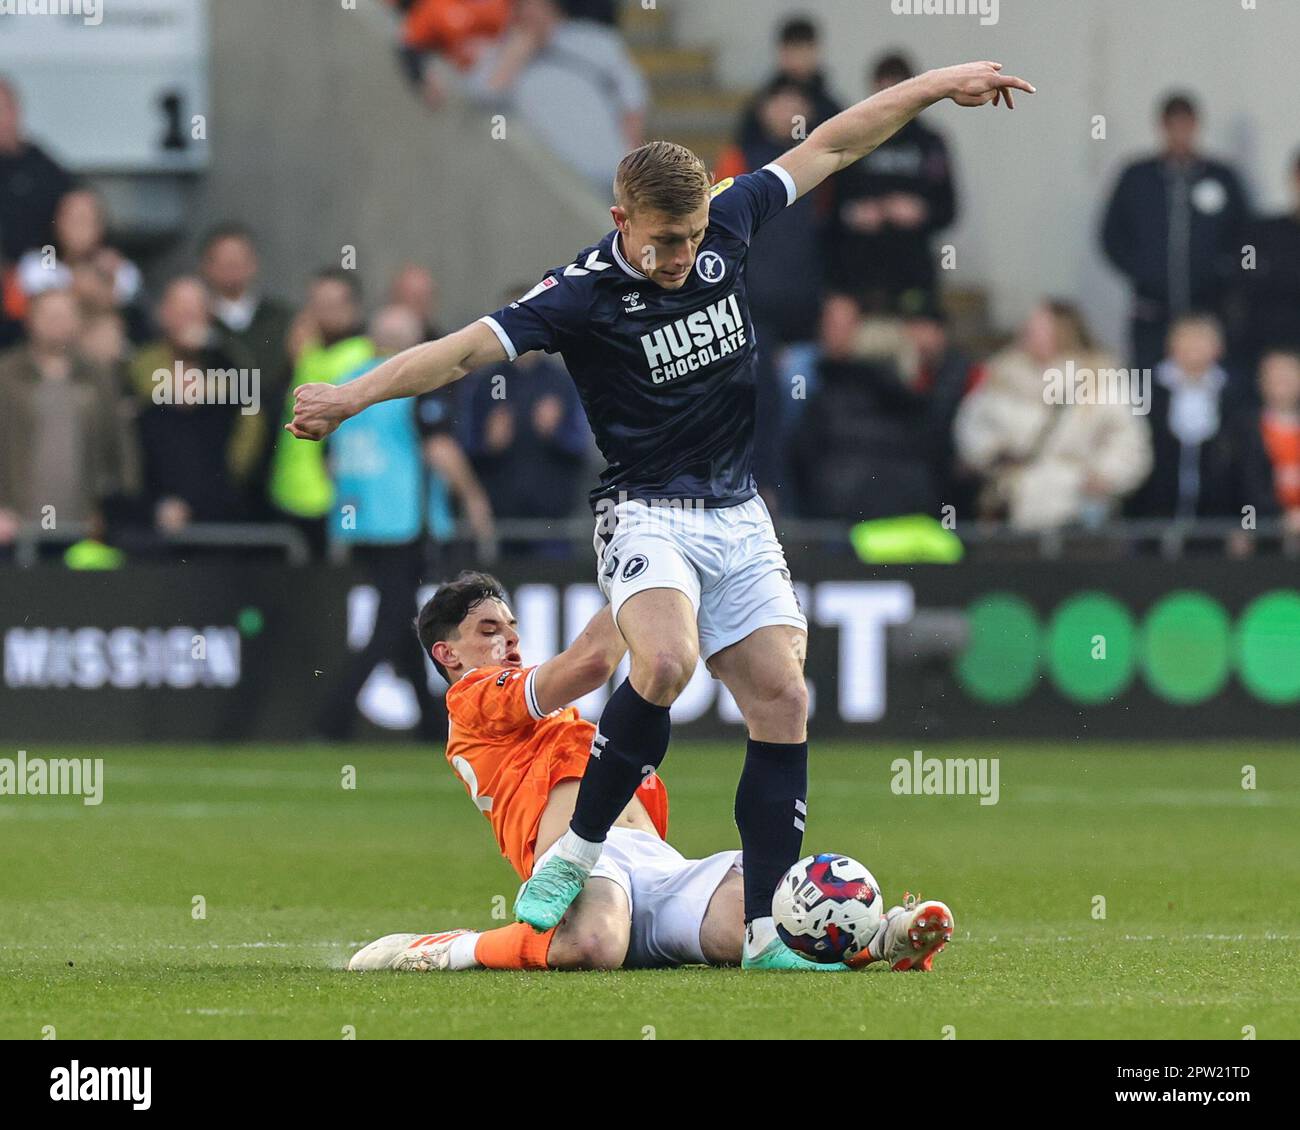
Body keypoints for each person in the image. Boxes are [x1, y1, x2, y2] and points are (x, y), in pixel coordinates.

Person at [286, 59, 1031, 970]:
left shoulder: (732, 217)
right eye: (663, 243)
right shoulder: (581, 294)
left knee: (785, 696)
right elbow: (459, 353)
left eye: (689, 239)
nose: (680, 259)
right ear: (620, 223)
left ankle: (766, 935)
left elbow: (835, 142)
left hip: (738, 508)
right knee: (668, 660)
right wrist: (354, 396)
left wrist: (935, 83)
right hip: (644, 510)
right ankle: (577, 850)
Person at [346, 572, 954, 973]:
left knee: (763, 919)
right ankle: (450, 949)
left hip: (656, 862)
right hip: (581, 862)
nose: (510, 638)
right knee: (595, 945)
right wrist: (650, 567)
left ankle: (883, 938)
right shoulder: (472, 700)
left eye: (510, 626)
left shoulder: (521, 703)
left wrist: (655, 569)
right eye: (488, 630)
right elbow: (589, 661)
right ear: (446, 655)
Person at [316, 305, 494, 741]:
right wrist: (474, 500)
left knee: (400, 618)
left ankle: (429, 724)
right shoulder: (413, 382)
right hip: (403, 521)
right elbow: (437, 448)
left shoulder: (349, 381)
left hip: (361, 521)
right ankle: (331, 719)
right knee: (391, 620)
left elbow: (328, 458)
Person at [954, 300, 1152, 530]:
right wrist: (991, 454)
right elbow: (972, 425)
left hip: (1079, 509)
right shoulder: (1000, 375)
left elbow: (1128, 439)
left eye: (1040, 328)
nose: (1030, 334)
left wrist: (1105, 475)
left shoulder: (1100, 379)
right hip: (1012, 507)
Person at [1101, 93, 1250, 371]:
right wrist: (1142, 269)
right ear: (1163, 127)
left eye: (1186, 125)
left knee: (1209, 383)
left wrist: (1226, 271)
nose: (1181, 134)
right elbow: (1111, 235)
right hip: (1151, 310)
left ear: (1196, 126)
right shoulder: (1137, 177)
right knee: (1149, 383)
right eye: (1174, 126)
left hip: (1208, 309)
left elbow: (1245, 237)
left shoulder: (1221, 177)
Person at [825, 52, 958, 312]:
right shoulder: (852, 139)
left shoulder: (930, 144)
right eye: (884, 91)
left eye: (898, 90)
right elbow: (828, 208)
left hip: (913, 269)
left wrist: (920, 212)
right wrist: (853, 214)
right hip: (858, 271)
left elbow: (949, 208)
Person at [0, 289, 130, 554]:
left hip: (86, 521)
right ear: (30, 319)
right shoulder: (6, 375)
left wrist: (109, 507)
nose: (57, 322)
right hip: (14, 522)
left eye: (65, 314)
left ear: (78, 321)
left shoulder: (97, 376)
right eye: (49, 314)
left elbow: (117, 444)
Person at [1127, 315, 1276, 529]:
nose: (1194, 346)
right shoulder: (1145, 392)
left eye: (1202, 339)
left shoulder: (1238, 397)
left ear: (1219, 347)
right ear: (1170, 345)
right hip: (1152, 517)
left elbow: (1248, 468)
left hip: (1220, 520)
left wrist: (1248, 525)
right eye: (1186, 338)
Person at [200, 224, 296, 515]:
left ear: (253, 264)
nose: (232, 268)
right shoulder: (196, 319)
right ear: (206, 267)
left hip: (275, 442)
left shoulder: (283, 320)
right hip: (216, 447)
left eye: (239, 259)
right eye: (223, 260)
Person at [735, 16, 843, 152]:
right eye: (792, 50)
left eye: (803, 50)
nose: (797, 59)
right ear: (781, 52)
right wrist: (772, 130)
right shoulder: (763, 104)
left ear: (815, 51)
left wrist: (808, 121)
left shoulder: (828, 107)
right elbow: (743, 147)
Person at [0, 77, 74, 265]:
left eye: (4, 109)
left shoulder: (41, 166)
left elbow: (75, 205)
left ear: (16, 111)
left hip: (43, 260)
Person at [1257, 349, 1300, 535]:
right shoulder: (1245, 430)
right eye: (1274, 375)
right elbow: (1241, 489)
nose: (1281, 381)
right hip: (1261, 530)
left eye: (1288, 374)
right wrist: (1247, 527)